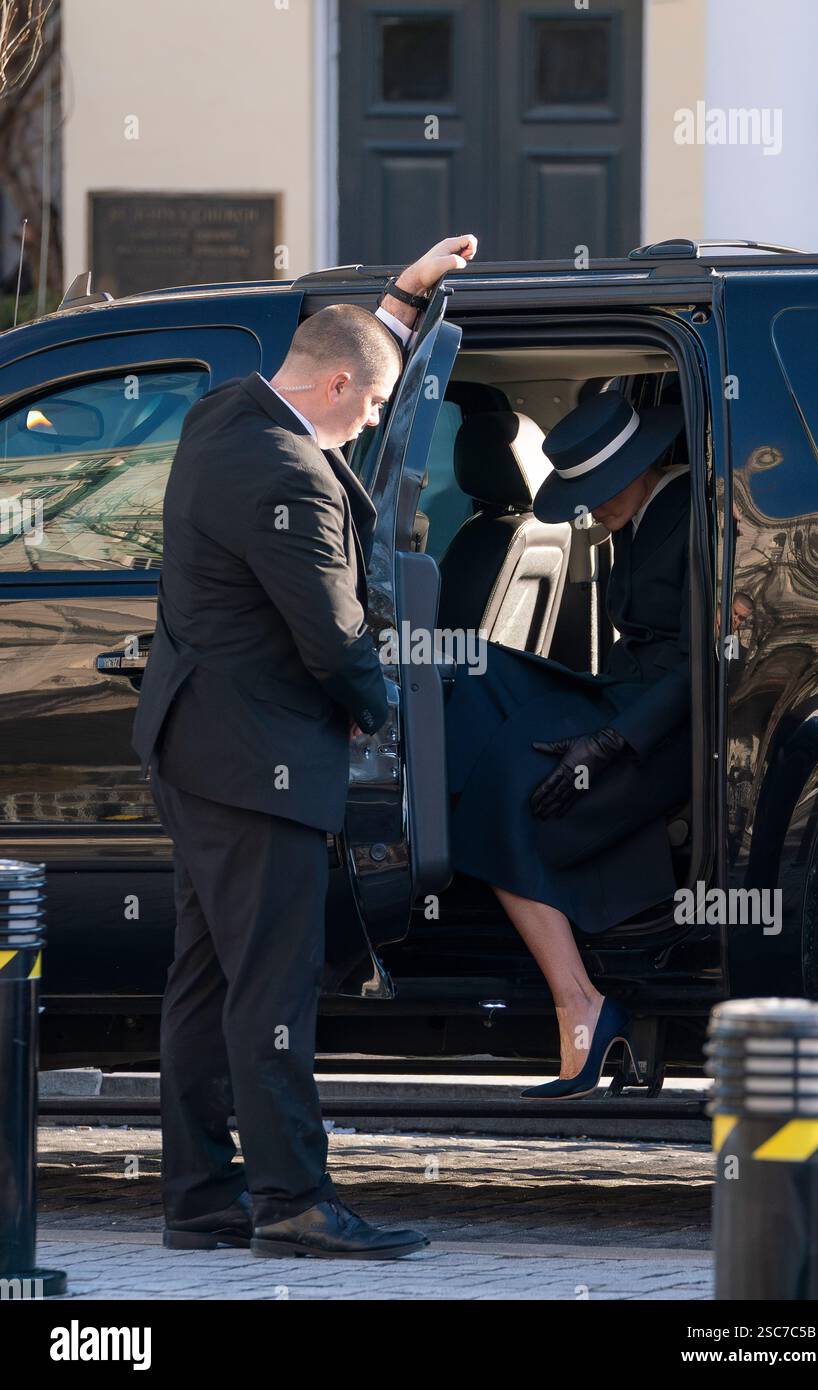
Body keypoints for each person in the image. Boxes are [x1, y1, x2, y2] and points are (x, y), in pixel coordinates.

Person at [133, 235, 478, 1259]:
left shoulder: (223, 414)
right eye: (371, 407)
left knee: (207, 981)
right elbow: (331, 637)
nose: (373, 424)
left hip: (198, 751)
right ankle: (290, 1199)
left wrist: (401, 300)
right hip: (258, 766)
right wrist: (386, 708)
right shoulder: (289, 473)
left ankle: (201, 1197)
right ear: (332, 388)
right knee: (271, 990)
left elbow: (347, 355)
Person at [445, 388, 691, 1098]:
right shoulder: (641, 512)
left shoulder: (693, 513)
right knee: (473, 669)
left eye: (602, 488)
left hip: (662, 728)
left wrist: (611, 739)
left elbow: (704, 662)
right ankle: (440, 832)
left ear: (642, 466)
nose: (591, 507)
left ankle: (579, 1001)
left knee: (508, 783)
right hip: (622, 694)